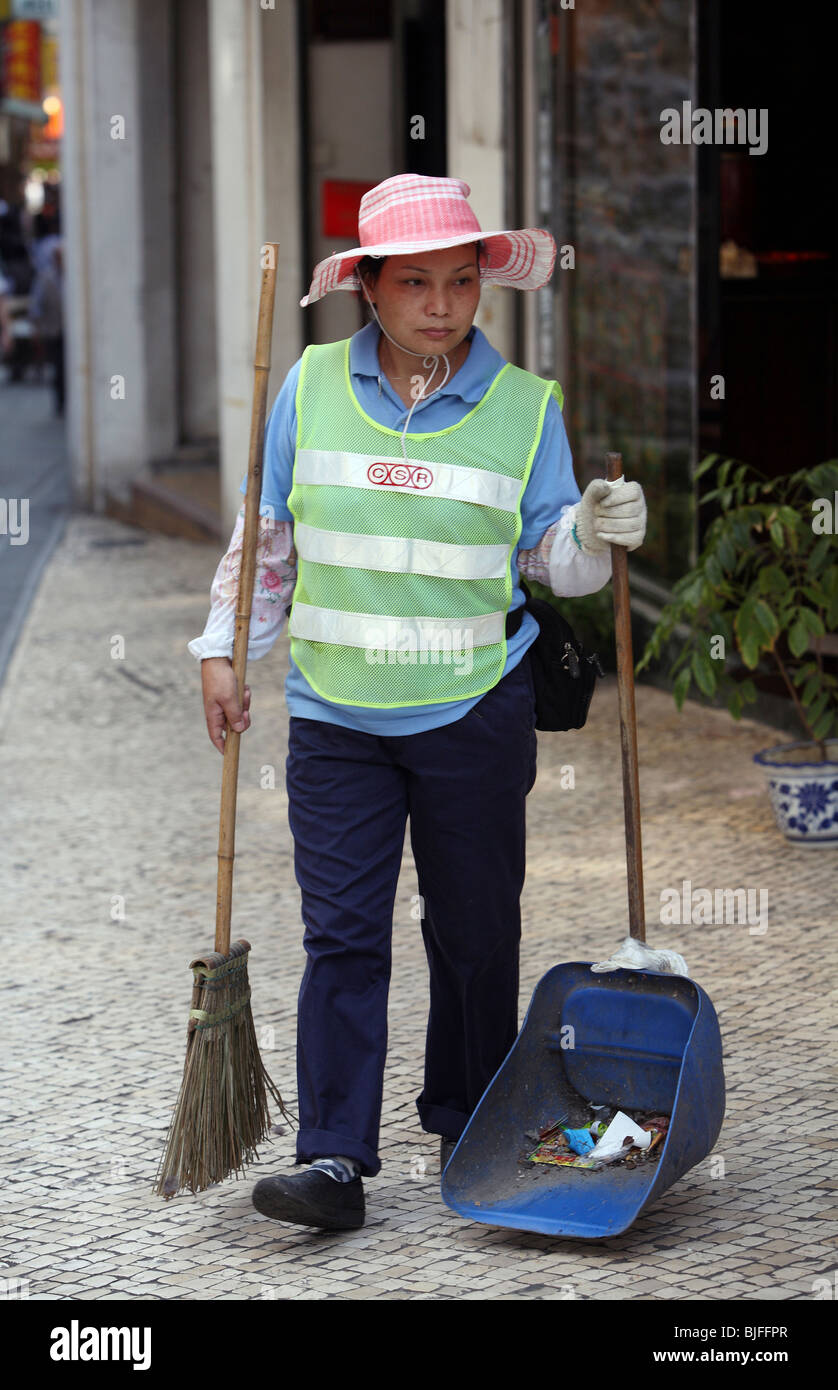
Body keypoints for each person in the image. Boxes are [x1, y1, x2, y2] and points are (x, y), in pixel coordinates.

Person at [188, 174, 647, 1230]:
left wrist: (593, 529)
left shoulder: (528, 407)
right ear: (370, 289)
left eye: (459, 281)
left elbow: (553, 563)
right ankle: (335, 1159)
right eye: (414, 283)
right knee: (343, 935)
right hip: (335, 716)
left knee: (476, 931)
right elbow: (269, 540)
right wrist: (223, 648)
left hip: (474, 707)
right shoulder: (305, 387)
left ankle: (471, 1119)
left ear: (483, 284)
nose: (440, 305)